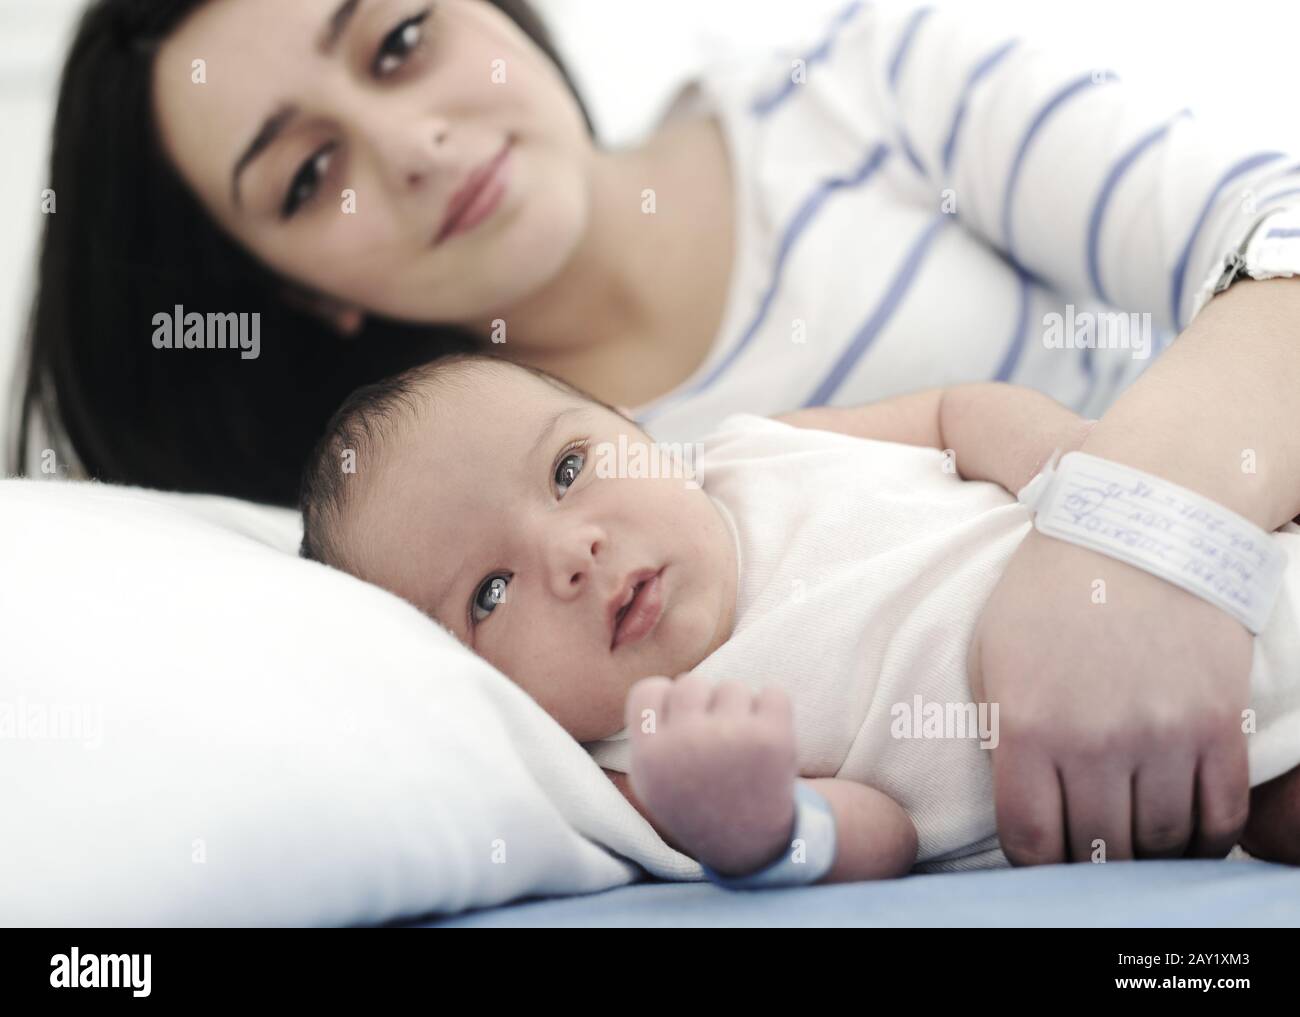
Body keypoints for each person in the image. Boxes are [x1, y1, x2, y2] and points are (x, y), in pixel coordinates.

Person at [12, 0, 1300, 866]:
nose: (412, 145)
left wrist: (1131, 535)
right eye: (306, 177)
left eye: (398, 38)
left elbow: (1274, 226)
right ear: (298, 292)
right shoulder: (500, 594)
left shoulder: (854, 88)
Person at [297, 352, 1300, 880]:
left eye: (568, 468)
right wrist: (761, 825)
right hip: (1206, 766)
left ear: (633, 430)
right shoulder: (643, 757)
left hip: (1190, 554)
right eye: (489, 594)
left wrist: (1081, 472)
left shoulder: (757, 449)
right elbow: (887, 834)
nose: (570, 553)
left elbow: (954, 412)